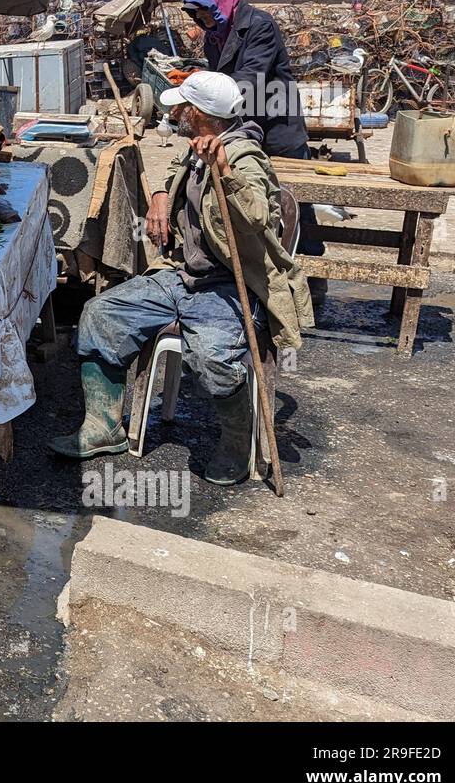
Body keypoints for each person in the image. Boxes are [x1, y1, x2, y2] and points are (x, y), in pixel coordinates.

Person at [52, 71, 313, 485]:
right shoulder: (196, 148)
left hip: (229, 286)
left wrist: (225, 170)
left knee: (210, 357)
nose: (173, 112)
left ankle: (235, 441)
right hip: (184, 276)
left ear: (199, 113)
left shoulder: (243, 157)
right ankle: (104, 427)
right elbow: (178, 166)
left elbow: (259, 216)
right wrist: (159, 196)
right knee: (101, 313)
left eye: (181, 106)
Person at [170, 0, 327, 301]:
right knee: (253, 197)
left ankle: (311, 278)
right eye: (199, 18)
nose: (204, 24)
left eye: (207, 16)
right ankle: (259, 272)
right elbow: (222, 76)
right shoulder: (217, 32)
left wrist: (211, 93)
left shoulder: (259, 25)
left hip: (275, 123)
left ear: (222, 5)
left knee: (294, 201)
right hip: (245, 121)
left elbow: (248, 77)